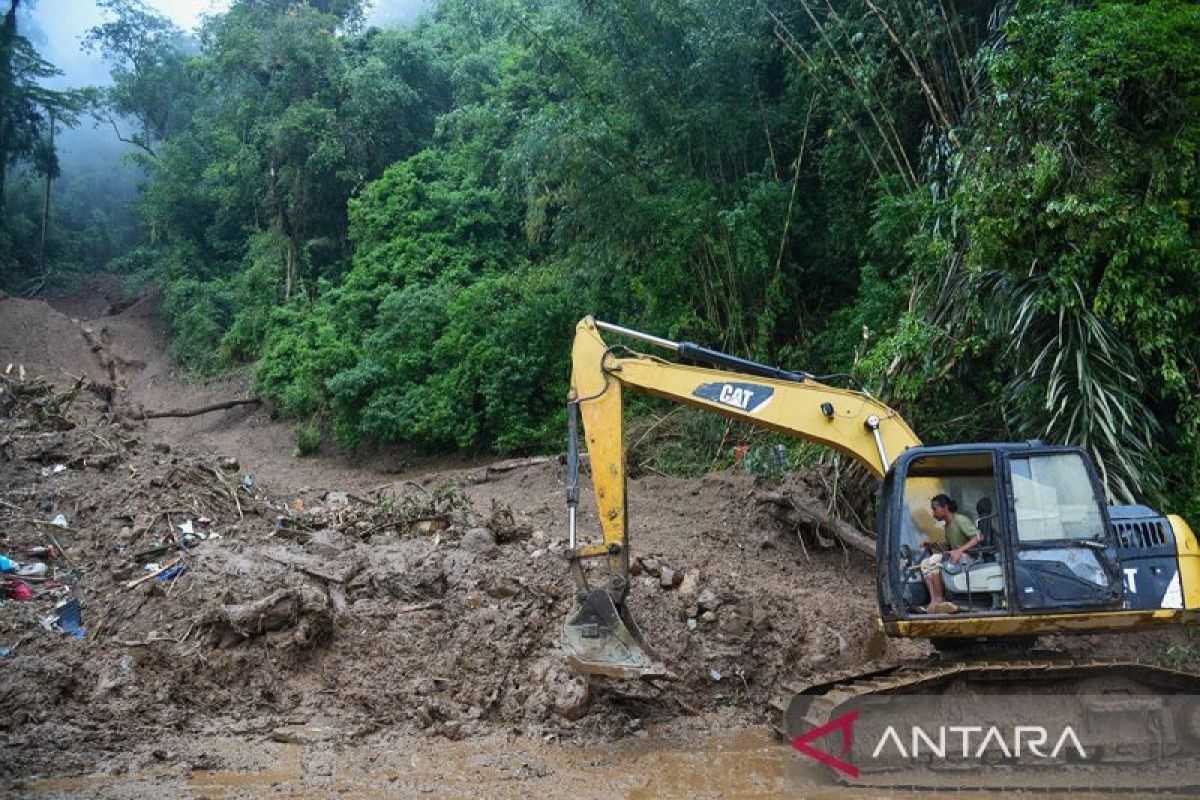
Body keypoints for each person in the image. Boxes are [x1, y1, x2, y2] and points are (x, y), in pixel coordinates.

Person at [917, 494, 983, 613]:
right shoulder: (947, 526)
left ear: (945, 507)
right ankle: (933, 600)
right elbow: (948, 547)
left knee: (934, 560)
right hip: (957, 558)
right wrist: (931, 544)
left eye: (935, 509)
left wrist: (960, 550)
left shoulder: (960, 520)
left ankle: (939, 600)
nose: (933, 513)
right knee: (925, 563)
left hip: (970, 558)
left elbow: (978, 537)